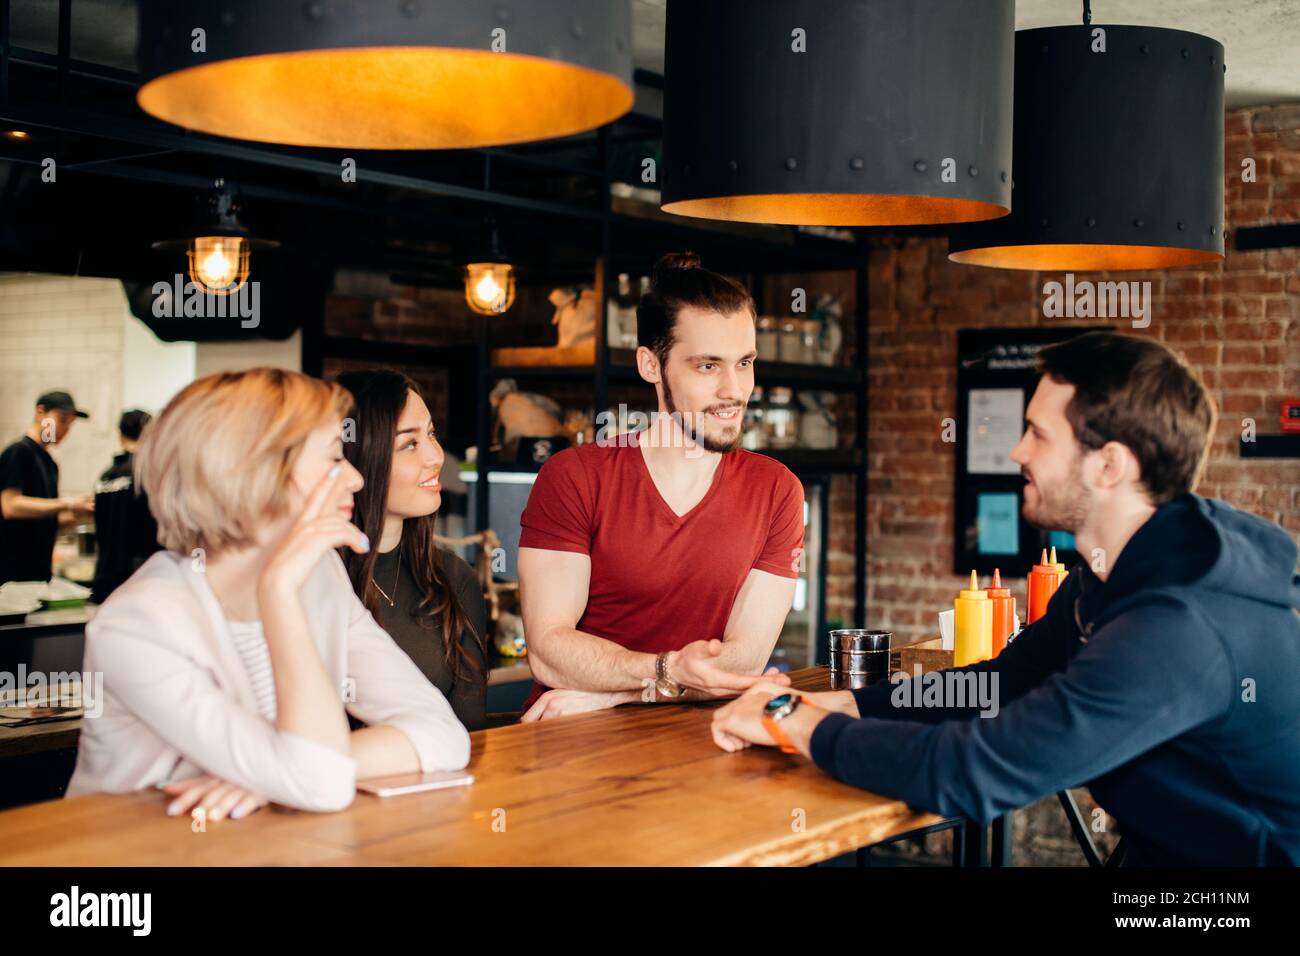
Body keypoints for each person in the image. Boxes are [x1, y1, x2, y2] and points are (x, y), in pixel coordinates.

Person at [711, 332, 1300, 866]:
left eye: (1039, 434)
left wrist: (789, 720)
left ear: (1110, 465)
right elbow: (996, 684)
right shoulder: (1113, 574)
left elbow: (973, 771)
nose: (1017, 452)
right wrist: (846, 706)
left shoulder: (1180, 625)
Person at [66, 368, 470, 821]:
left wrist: (273, 776)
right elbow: (319, 784)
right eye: (334, 458)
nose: (355, 479)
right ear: (254, 474)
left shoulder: (321, 577)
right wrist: (277, 593)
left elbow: (445, 735)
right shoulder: (139, 624)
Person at [517, 252, 804, 721]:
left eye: (745, 363)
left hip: (698, 742)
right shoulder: (575, 476)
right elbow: (549, 651)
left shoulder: (777, 490)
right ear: (651, 365)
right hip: (569, 741)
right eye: (708, 366)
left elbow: (744, 663)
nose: (734, 389)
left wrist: (624, 692)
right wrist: (668, 670)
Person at [336, 369, 490, 731]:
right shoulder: (313, 583)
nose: (436, 456)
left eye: (432, 434)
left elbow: (471, 734)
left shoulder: (454, 580)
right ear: (360, 457)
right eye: (409, 444)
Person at [0, 390, 94, 584]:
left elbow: (48, 518)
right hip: (12, 575)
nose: (65, 429)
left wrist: (79, 511)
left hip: (38, 574)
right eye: (61, 420)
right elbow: (10, 506)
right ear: (40, 413)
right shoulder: (19, 452)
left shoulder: (50, 463)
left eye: (70, 424)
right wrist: (67, 502)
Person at [90, 409, 163, 604]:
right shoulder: (150, 472)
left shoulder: (106, 475)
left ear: (120, 434)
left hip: (106, 579)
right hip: (141, 581)